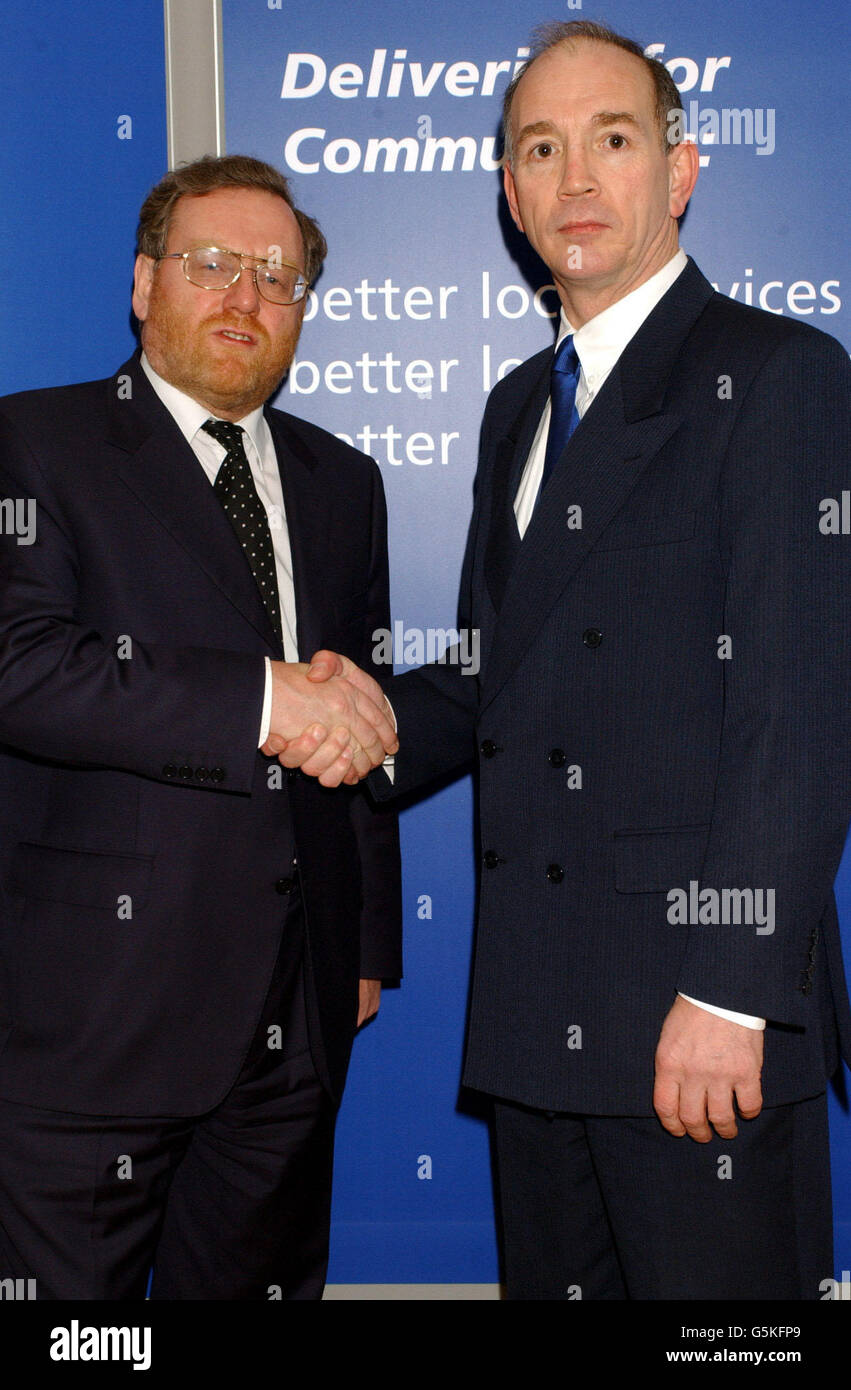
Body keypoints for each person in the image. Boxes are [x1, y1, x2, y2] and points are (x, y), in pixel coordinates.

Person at [294, 22, 851, 1299]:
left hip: (690, 1025)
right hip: (539, 1014)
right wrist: (322, 718)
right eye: (540, 149)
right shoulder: (513, 407)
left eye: (612, 140)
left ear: (680, 169)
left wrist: (729, 992)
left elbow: (801, 716)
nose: (577, 179)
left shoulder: (777, 376)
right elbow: (498, 673)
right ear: (509, 192)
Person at [0, 154, 401, 1300]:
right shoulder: (34, 445)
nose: (244, 297)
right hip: (91, 1016)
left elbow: (357, 709)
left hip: (294, 1016)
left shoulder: (343, 482)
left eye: (276, 276)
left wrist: (364, 936)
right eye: (211, 264)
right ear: (143, 284)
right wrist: (267, 700)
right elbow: (20, 666)